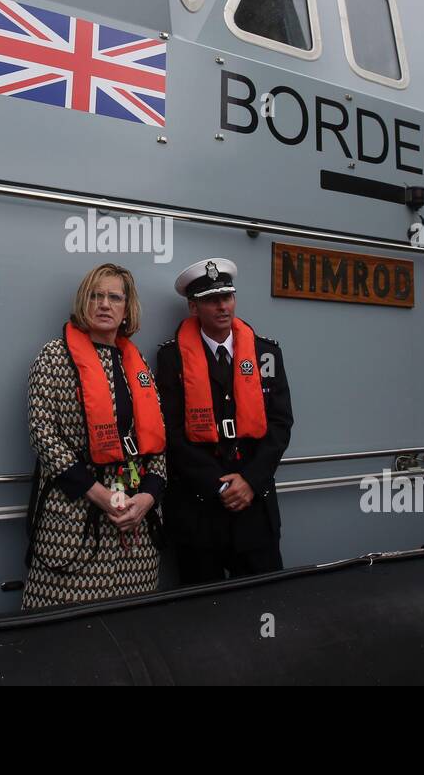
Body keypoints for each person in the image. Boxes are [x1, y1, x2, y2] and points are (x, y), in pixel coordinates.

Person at [21, 263, 167, 609]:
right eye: (95, 296)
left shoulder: (139, 364)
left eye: (114, 297)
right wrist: (99, 494)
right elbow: (43, 434)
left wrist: (148, 499)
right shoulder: (54, 357)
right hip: (73, 521)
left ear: (126, 308)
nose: (104, 304)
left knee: (131, 629)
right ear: (83, 303)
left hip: (135, 528)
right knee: (65, 632)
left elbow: (157, 440)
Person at [156, 258, 292, 583]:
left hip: (254, 507)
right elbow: (171, 433)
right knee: (204, 616)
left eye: (227, 297)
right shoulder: (171, 358)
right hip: (198, 511)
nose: (222, 306)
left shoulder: (265, 354)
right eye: (210, 300)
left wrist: (249, 481)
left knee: (265, 602)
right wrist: (219, 486)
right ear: (193, 307)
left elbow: (280, 423)